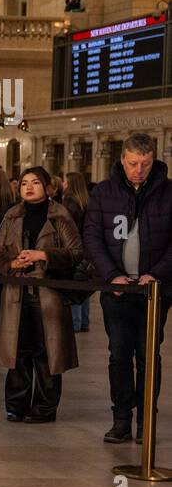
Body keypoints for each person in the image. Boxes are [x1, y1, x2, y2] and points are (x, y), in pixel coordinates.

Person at [83, 133, 172, 443]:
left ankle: (146, 422)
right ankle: (121, 418)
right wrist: (111, 275)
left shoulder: (168, 193)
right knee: (119, 354)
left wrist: (155, 275)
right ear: (122, 160)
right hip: (117, 289)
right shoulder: (104, 193)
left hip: (154, 291)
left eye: (145, 164)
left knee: (149, 356)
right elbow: (92, 237)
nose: (139, 170)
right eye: (133, 163)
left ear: (154, 161)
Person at [0, 166, 82, 424]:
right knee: (17, 351)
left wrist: (44, 255)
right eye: (24, 183)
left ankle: (44, 407)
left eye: (35, 183)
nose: (29, 187)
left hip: (48, 294)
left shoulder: (59, 216)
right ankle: (16, 404)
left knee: (47, 352)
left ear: (47, 187)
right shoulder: (11, 216)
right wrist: (11, 264)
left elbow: (76, 252)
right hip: (16, 292)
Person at [62, 170, 92, 332]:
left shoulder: (68, 203)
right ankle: (84, 322)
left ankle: (75, 323)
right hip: (86, 248)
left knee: (72, 285)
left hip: (72, 247)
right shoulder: (87, 201)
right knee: (83, 284)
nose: (62, 184)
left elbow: (66, 228)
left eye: (65, 181)